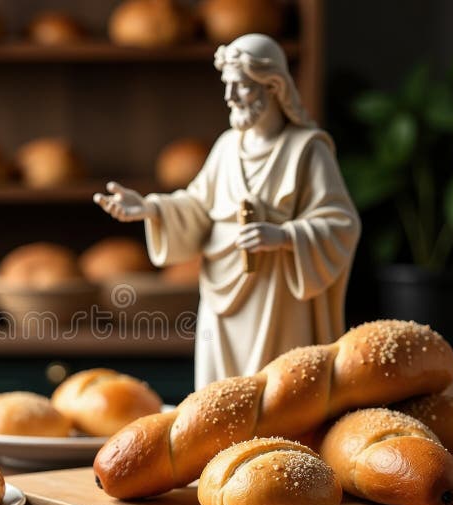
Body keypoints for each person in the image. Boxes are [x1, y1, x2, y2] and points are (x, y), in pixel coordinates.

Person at [94, 33, 361, 389]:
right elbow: (197, 206)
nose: (230, 97)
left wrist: (284, 236)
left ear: (273, 87)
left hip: (277, 292)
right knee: (221, 389)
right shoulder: (226, 147)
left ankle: (279, 443)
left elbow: (341, 223)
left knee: (278, 385)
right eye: (228, 86)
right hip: (222, 287)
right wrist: (150, 208)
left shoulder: (307, 151)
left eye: (242, 87)